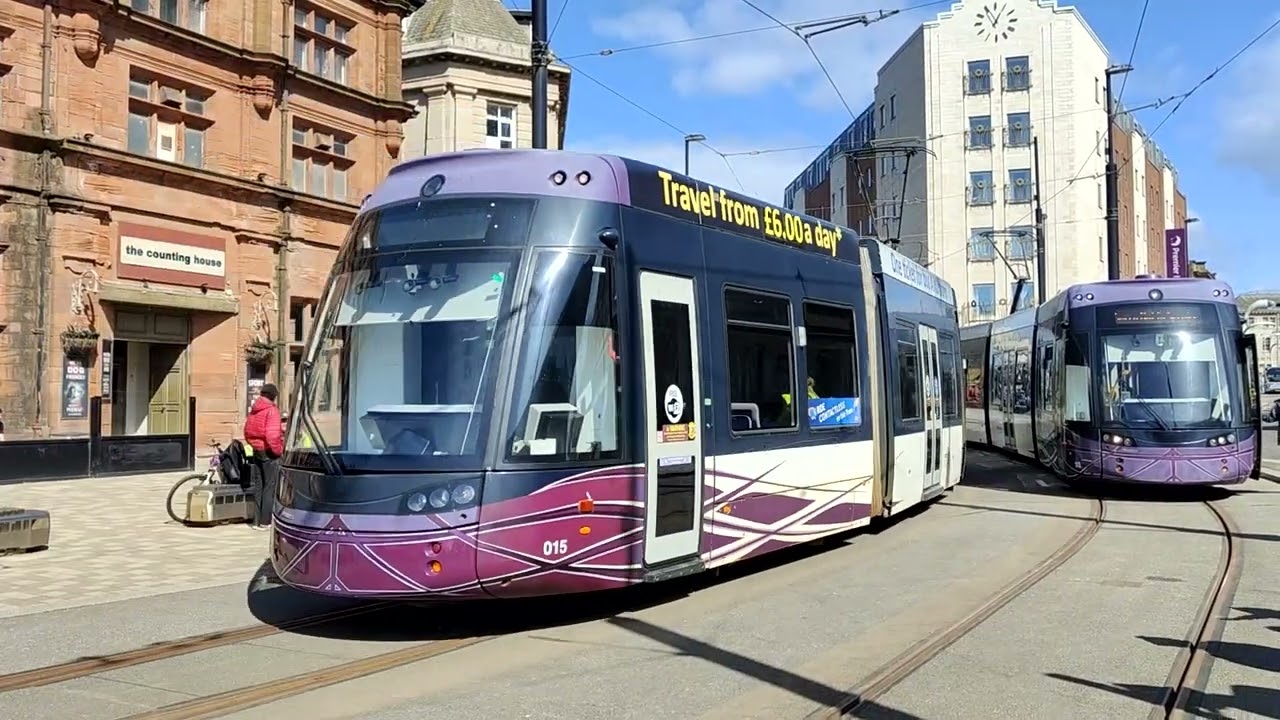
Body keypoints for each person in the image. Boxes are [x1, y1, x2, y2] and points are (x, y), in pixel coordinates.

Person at [243, 383, 284, 529]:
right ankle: (265, 522)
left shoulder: (255, 410)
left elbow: (247, 430)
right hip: (268, 451)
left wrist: (254, 444)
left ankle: (256, 520)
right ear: (273, 396)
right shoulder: (272, 411)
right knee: (270, 486)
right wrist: (278, 451)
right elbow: (272, 436)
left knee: (259, 485)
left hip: (256, 450)